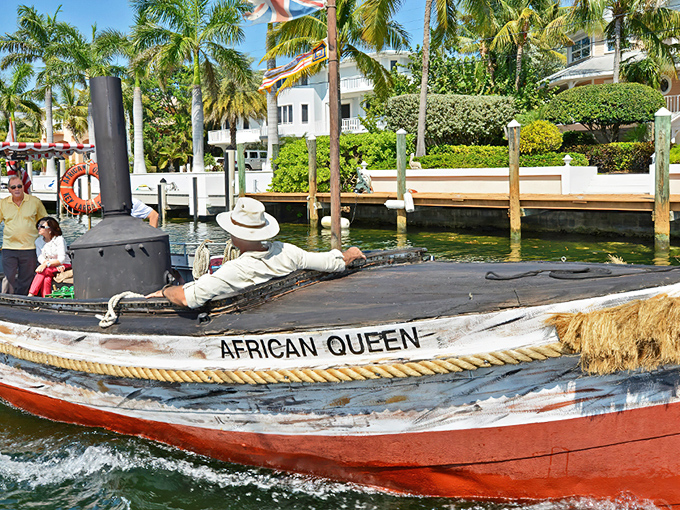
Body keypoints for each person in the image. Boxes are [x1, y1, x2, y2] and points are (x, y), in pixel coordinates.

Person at [147, 197, 366, 308]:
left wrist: (166, 291)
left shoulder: (237, 270)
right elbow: (329, 261)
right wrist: (350, 254)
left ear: (235, 235)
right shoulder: (286, 252)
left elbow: (187, 298)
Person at [0, 175, 48, 295]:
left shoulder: (35, 202)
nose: (17, 189)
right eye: (13, 187)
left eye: (19, 186)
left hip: (30, 248)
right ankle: (7, 302)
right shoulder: (2, 204)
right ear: (9, 189)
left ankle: (22, 303)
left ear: (23, 187)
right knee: (8, 277)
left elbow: (45, 222)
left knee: (26, 278)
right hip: (9, 248)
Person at [28, 217, 71, 297]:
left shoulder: (59, 240)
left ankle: (31, 294)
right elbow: (40, 257)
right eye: (38, 225)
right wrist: (47, 264)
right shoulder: (38, 241)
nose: (39, 228)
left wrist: (46, 265)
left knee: (43, 271)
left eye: (42, 226)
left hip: (64, 264)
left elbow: (61, 259)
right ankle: (47, 298)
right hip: (50, 266)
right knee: (46, 278)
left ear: (50, 229)